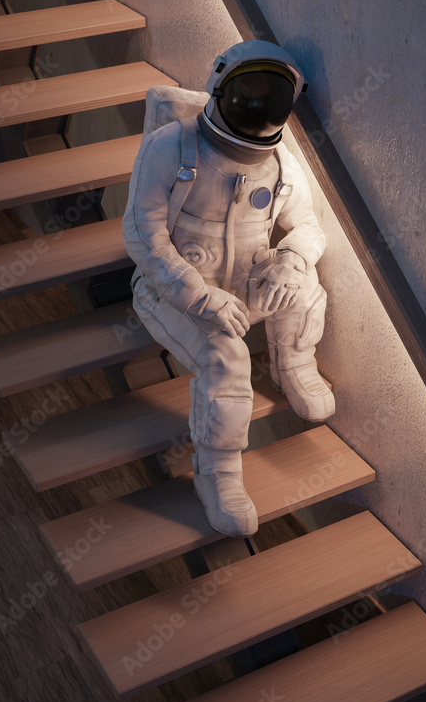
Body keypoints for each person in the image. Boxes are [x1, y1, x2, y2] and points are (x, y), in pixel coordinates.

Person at [122, 39, 334, 536]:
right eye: (249, 94)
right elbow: (143, 235)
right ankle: (217, 472)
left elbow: (309, 227)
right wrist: (198, 294)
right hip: (172, 289)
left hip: (241, 282)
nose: (258, 106)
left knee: (305, 288)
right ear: (221, 86)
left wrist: (290, 260)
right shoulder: (170, 147)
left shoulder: (280, 163)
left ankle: (293, 366)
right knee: (227, 358)